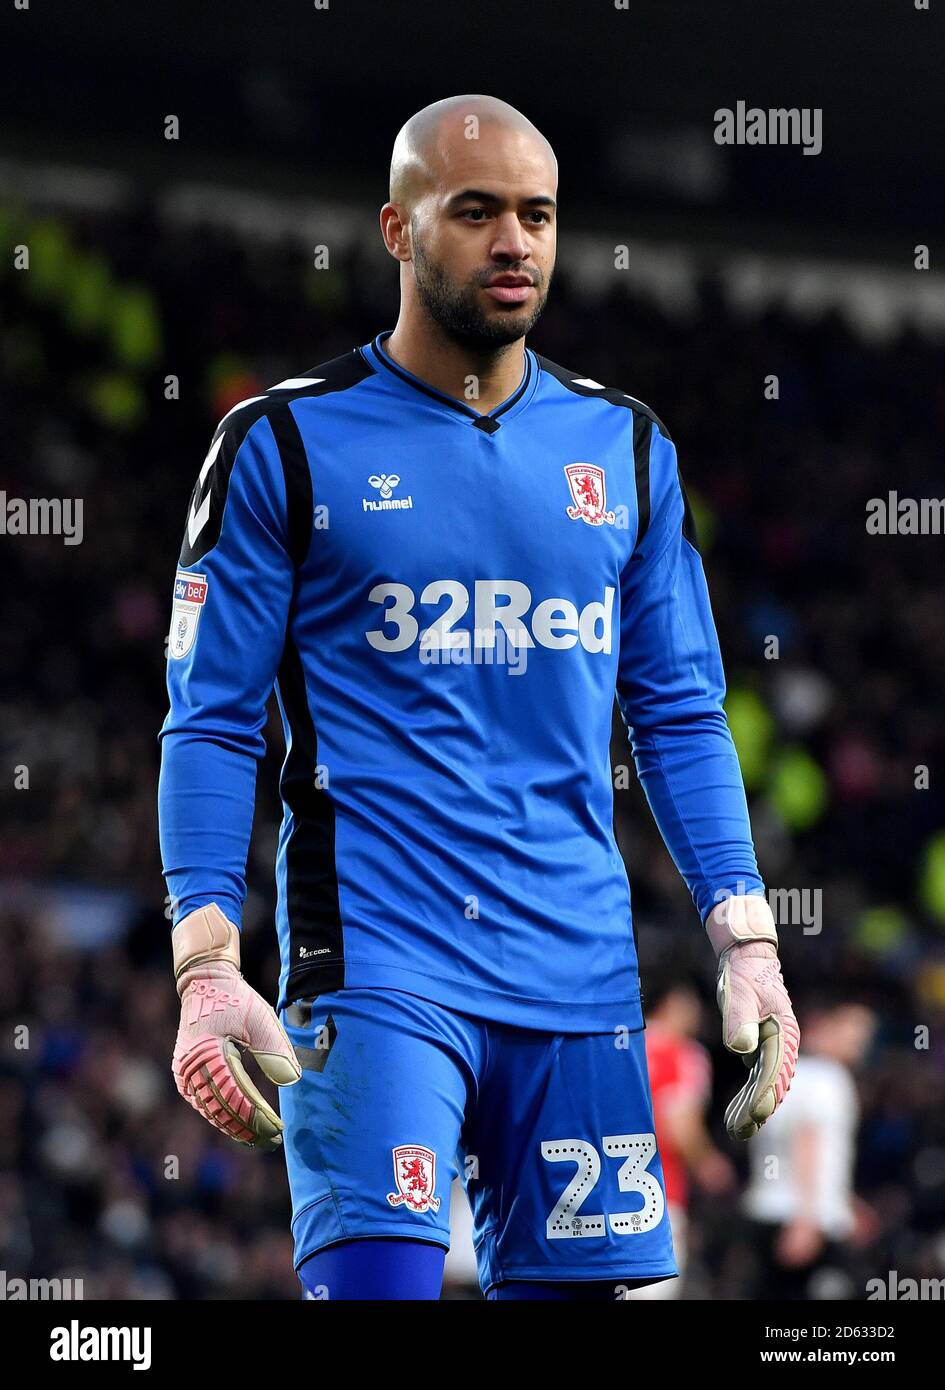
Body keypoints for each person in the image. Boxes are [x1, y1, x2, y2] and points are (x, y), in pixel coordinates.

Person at [158, 93, 798, 1301]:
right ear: (397, 231)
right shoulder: (284, 445)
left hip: (584, 983)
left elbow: (678, 714)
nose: (516, 242)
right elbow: (212, 714)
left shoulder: (628, 451)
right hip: (379, 971)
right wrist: (204, 965)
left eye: (539, 215)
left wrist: (748, 939)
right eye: (478, 211)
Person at [741, 998, 877, 1299]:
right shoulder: (828, 1078)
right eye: (853, 1028)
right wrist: (807, 1217)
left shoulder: (781, 1072)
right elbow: (807, 1141)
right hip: (803, 1219)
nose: (860, 1040)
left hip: (773, 1209)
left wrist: (845, 1200)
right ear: (823, 1025)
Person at [629, 976, 736, 1300]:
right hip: (657, 1192)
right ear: (676, 1004)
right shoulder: (682, 1054)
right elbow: (679, 1123)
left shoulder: (615, 1046)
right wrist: (707, 1163)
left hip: (597, 1194)